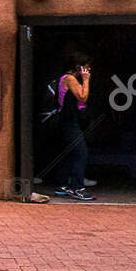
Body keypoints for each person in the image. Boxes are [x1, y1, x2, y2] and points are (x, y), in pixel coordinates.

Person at [55, 53, 94, 200]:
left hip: (66, 120)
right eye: (87, 67)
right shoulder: (70, 79)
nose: (89, 69)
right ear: (79, 67)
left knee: (69, 153)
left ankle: (62, 185)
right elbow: (82, 97)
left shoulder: (66, 78)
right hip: (68, 121)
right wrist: (86, 80)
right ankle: (78, 188)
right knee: (81, 153)